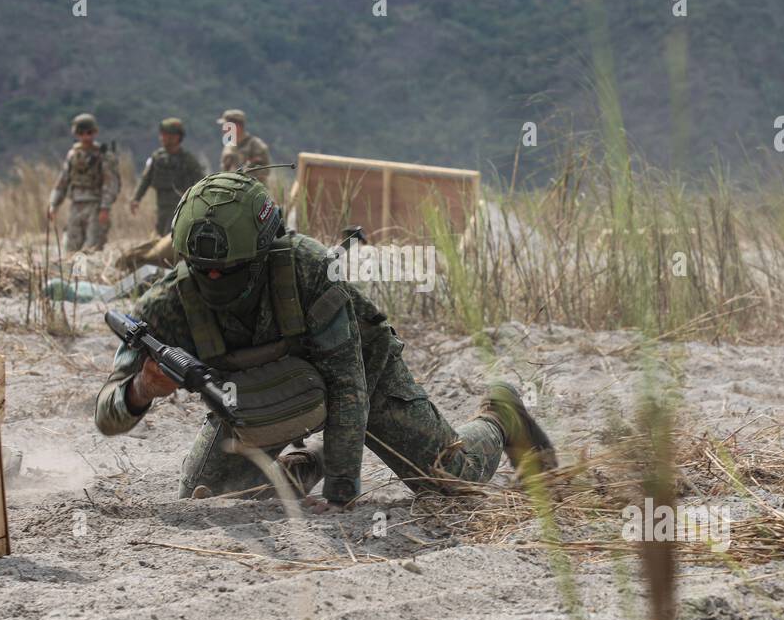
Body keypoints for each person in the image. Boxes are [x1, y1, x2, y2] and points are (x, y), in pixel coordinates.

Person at [95, 172, 556, 509]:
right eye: (202, 268)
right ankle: (305, 463)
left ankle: (502, 415)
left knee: (450, 483)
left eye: (228, 268)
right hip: (255, 405)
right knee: (209, 497)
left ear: (262, 250)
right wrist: (141, 391)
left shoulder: (308, 268)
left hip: (361, 380)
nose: (214, 278)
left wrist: (341, 490)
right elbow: (106, 416)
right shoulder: (166, 305)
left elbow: (349, 382)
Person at [48, 112, 121, 252]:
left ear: (95, 132)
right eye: (81, 133)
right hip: (76, 205)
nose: (85, 137)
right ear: (76, 134)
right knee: (71, 247)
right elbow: (63, 181)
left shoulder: (104, 155)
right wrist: (53, 204)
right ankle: (75, 273)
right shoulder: (73, 155)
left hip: (96, 205)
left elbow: (110, 184)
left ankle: (89, 274)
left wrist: (105, 207)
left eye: (89, 132)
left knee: (92, 247)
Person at [130, 118, 207, 237]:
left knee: (173, 233)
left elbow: (202, 179)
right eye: (162, 134)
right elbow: (146, 179)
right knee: (161, 233)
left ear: (177, 137)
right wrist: (136, 198)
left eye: (167, 135)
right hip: (161, 205)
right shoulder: (157, 157)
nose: (163, 138)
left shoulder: (187, 159)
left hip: (181, 204)